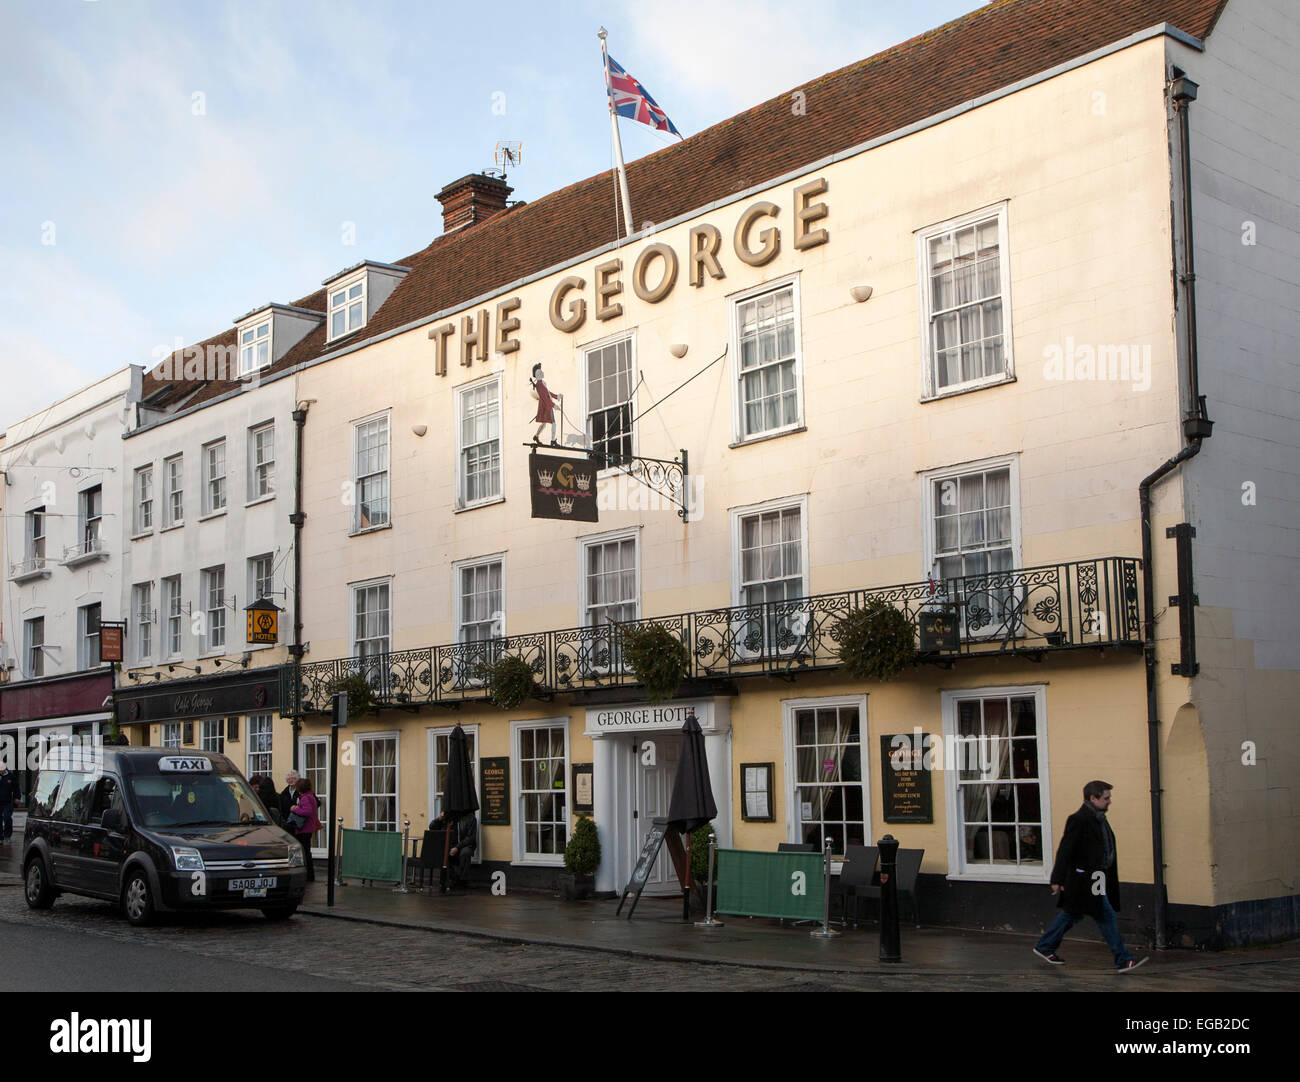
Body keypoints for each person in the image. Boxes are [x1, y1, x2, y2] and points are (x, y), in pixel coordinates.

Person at [1034, 780, 1147, 972]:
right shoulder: (1078, 819)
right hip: (1083, 879)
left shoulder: (1098, 818)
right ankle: (1123, 959)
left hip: (1096, 877)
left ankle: (1045, 946)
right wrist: (1057, 879)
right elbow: (1065, 850)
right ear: (1093, 798)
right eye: (1106, 798)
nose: (1109, 802)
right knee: (1105, 915)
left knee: (1073, 914)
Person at [288, 777, 321, 882]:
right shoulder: (311, 796)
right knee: (306, 852)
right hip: (308, 828)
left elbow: (307, 811)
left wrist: (295, 809)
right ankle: (309, 875)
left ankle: (307, 876)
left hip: (304, 829)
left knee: (304, 852)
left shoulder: (306, 798)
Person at [530, 363, 563, 444]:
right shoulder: (539, 385)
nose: (542, 373)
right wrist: (554, 405)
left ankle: (536, 436)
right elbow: (545, 397)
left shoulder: (542, 383)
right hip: (546, 406)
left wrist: (557, 396)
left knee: (544, 423)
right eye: (539, 372)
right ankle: (552, 440)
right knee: (553, 423)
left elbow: (548, 393)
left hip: (546, 405)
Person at [446, 810, 477, 890]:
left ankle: (462, 879)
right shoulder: (449, 817)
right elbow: (433, 826)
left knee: (465, 852)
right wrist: (439, 818)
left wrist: (457, 847)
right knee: (444, 852)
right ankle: (453, 878)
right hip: (452, 845)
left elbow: (470, 837)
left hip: (464, 845)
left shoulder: (471, 818)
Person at [0, 763, 20, 842]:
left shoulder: (11, 776)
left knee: (7, 818)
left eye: (1, 770)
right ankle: (0, 837)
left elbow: (16, 787)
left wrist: (17, 797)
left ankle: (7, 835)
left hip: (8, 801)